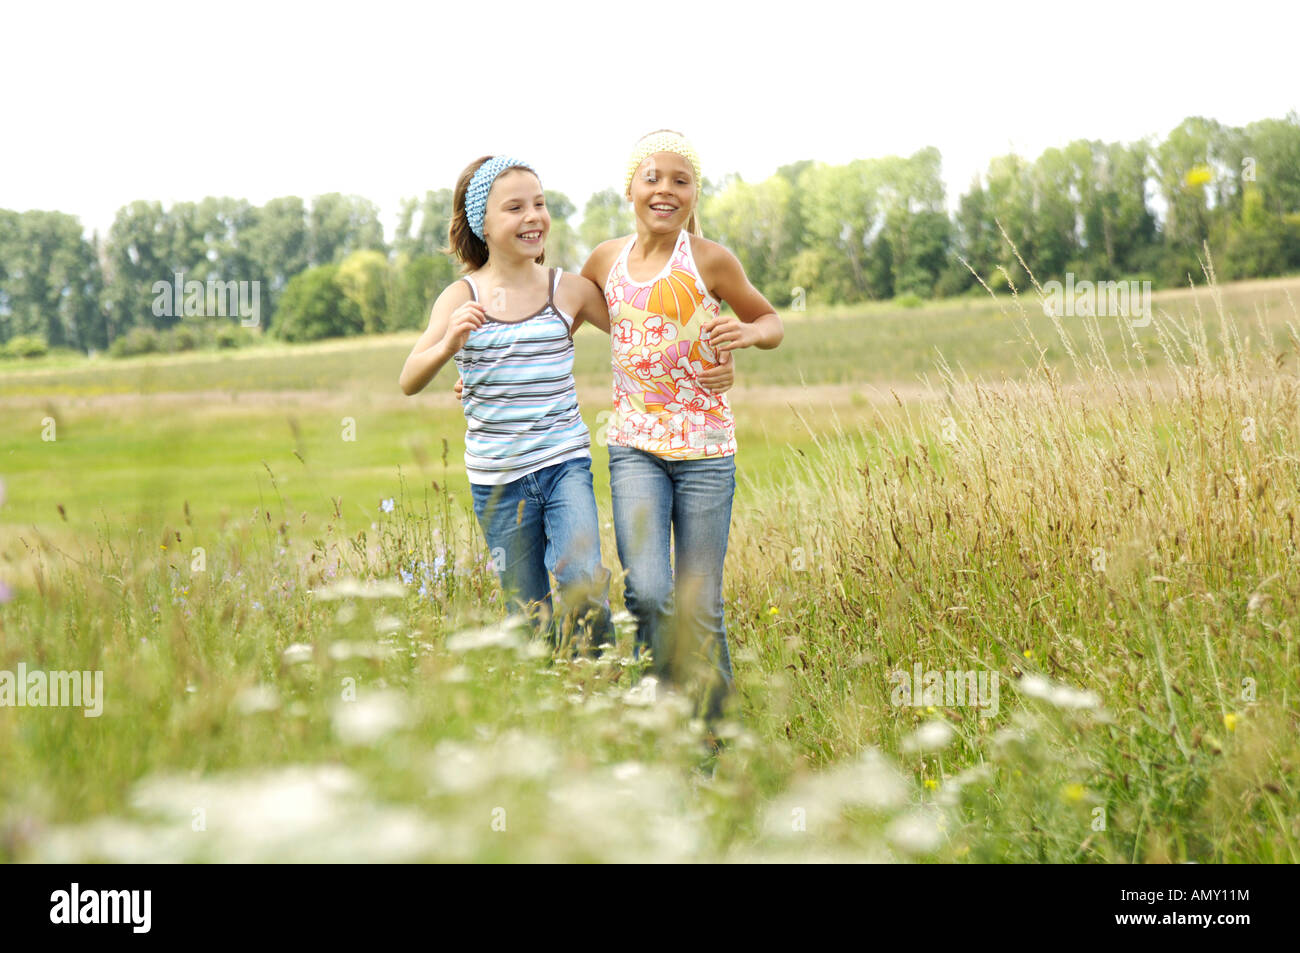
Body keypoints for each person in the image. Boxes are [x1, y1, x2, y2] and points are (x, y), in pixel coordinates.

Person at [581, 130, 784, 723]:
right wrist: (489, 373)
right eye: (653, 178)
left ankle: (713, 735)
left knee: (699, 603)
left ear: (695, 194)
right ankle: (668, 710)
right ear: (629, 189)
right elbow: (558, 316)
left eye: (681, 180)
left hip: (706, 452)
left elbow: (769, 318)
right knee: (647, 590)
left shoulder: (710, 260)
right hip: (634, 448)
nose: (665, 190)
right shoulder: (605, 260)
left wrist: (746, 335)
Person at [399, 155, 618, 651]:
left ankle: (600, 683)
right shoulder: (460, 297)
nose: (533, 216)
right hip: (498, 484)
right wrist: (449, 346)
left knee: (583, 579)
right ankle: (542, 706)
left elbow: (638, 334)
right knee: (527, 612)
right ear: (483, 225)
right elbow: (409, 379)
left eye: (539, 204)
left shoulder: (570, 291)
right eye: (514, 208)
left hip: (564, 464)